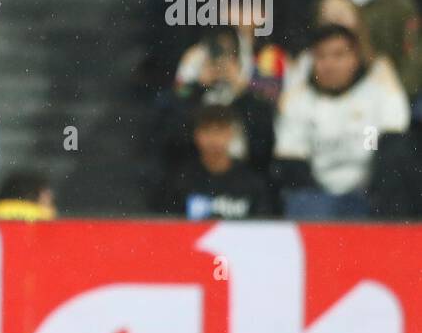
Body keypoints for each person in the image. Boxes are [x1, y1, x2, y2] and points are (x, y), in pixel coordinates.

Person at [273, 24, 409, 218]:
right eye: (321, 56)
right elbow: (292, 161)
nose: (329, 64)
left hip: (370, 192)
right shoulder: (298, 101)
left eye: (338, 55)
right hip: (317, 196)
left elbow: (391, 143)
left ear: (354, 59)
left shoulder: (379, 91)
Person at [156, 104, 275, 219]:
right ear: (196, 135)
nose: (213, 139)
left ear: (231, 133)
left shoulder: (252, 182)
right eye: (207, 131)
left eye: (220, 130)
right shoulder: (180, 180)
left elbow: (262, 226)